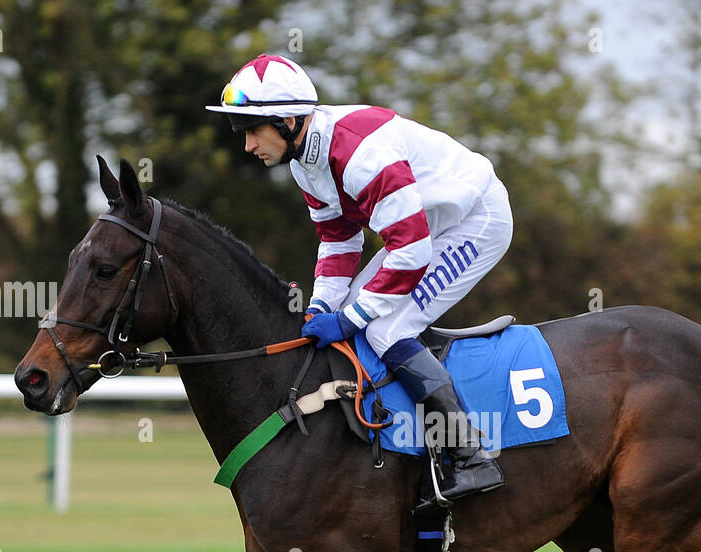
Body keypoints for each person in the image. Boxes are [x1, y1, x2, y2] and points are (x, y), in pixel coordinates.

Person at [207, 53, 509, 508]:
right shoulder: (304, 161)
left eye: (252, 129)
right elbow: (338, 240)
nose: (247, 145)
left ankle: (471, 456)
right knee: (355, 311)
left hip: (474, 220)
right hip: (422, 227)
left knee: (385, 328)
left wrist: (348, 319)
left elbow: (411, 251)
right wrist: (322, 306)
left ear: (288, 119)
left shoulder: (359, 155)